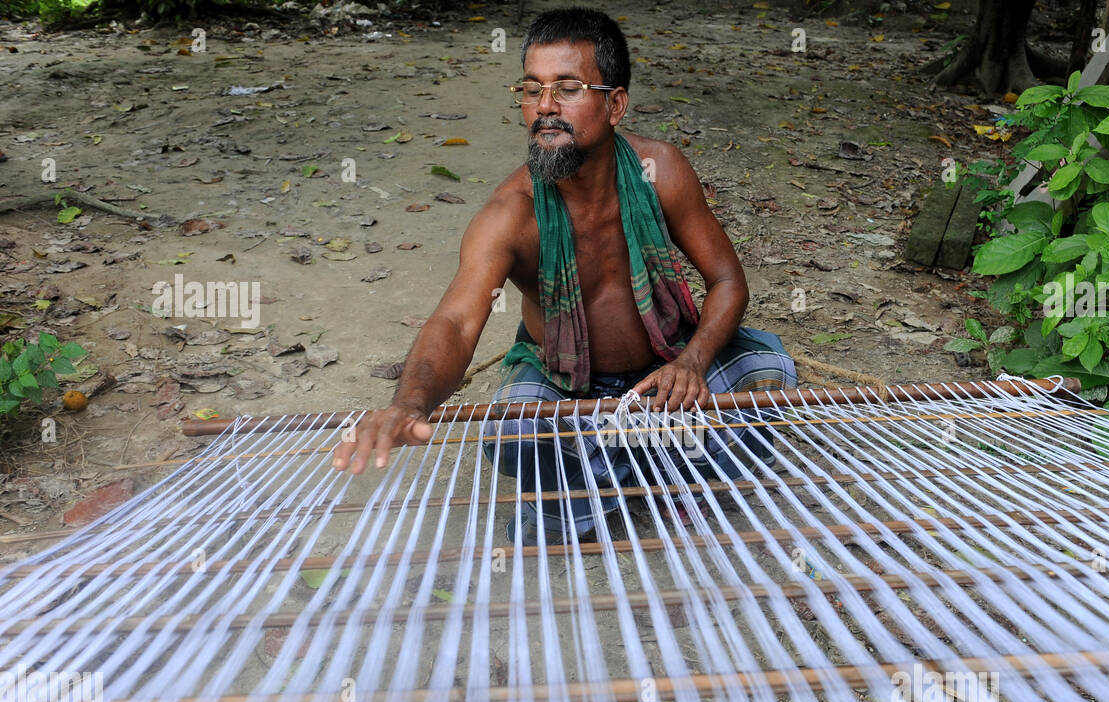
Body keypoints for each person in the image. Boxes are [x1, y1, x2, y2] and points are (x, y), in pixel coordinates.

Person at [332, 7, 796, 542]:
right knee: (515, 433)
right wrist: (406, 405)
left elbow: (727, 281)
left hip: (665, 367)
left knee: (770, 369)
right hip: (565, 382)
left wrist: (692, 363)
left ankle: (639, 464)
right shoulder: (511, 213)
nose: (545, 108)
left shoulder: (660, 170)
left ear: (615, 103)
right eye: (531, 90)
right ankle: (645, 463)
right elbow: (458, 321)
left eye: (568, 88)